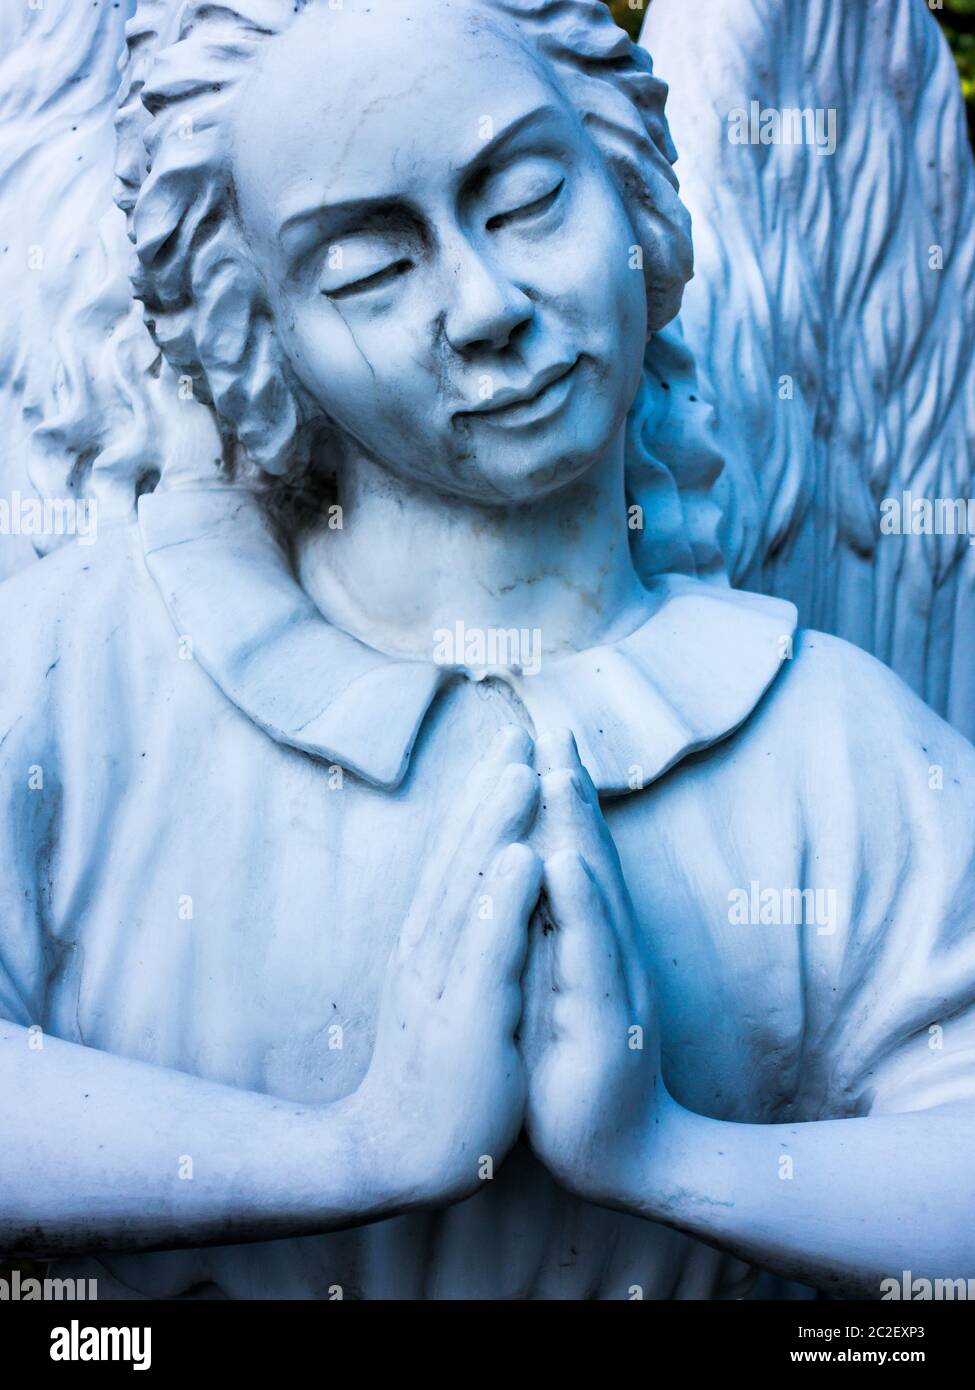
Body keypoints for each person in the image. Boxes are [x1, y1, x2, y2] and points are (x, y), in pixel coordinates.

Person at [1, 0, 973, 1300]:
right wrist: (352, 1151)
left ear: (630, 184)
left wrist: (666, 1156)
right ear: (259, 337)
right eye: (368, 271)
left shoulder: (832, 746)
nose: (486, 305)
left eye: (525, 200)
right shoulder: (82, 674)